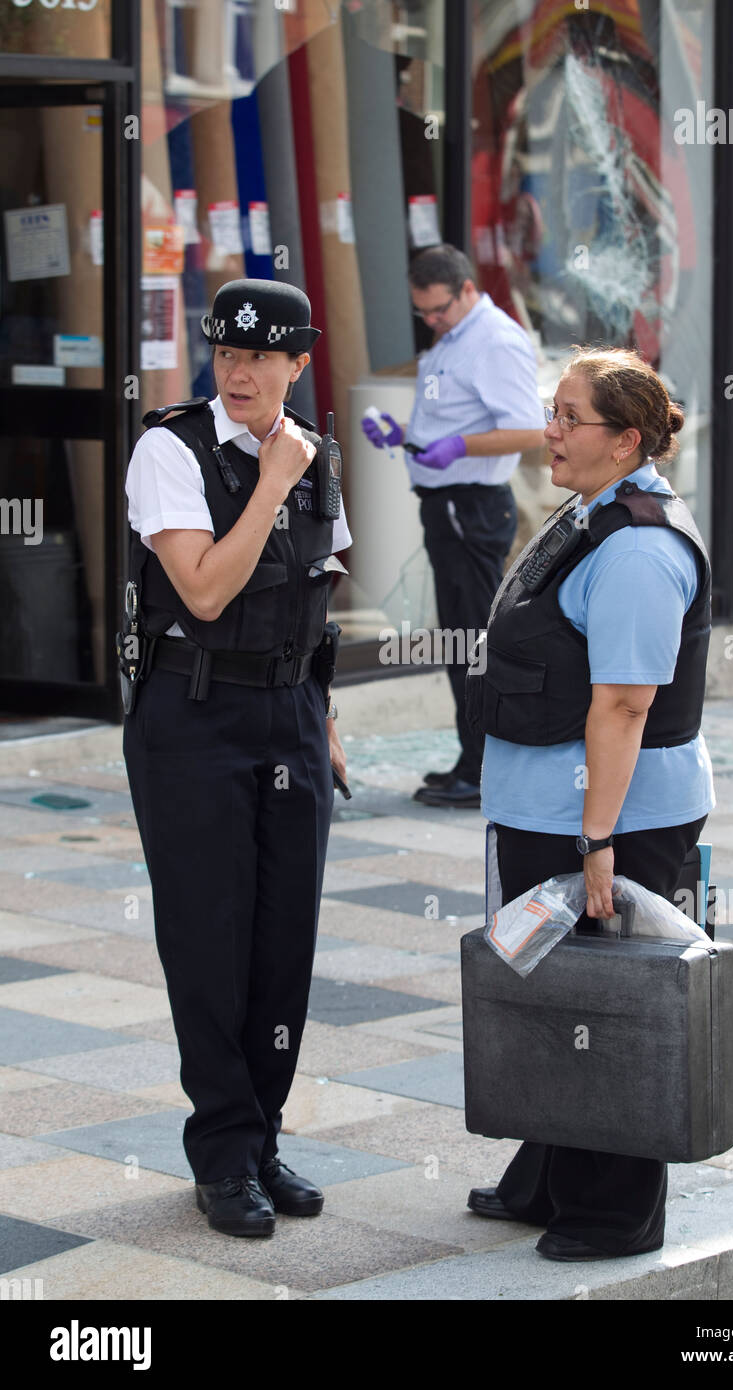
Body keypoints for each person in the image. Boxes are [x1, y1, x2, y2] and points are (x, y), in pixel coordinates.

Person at [463, 346, 715, 1260]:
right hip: (544, 812)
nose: (551, 431)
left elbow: (623, 703)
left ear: (628, 440)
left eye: (571, 417)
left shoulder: (642, 545)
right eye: (554, 411)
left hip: (612, 822)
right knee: (548, 993)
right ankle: (549, 1179)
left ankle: (613, 1212)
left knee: (605, 1016)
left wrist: (595, 842)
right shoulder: (591, 510)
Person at [122, 279, 350, 1238]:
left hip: (289, 710)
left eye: (263, 357)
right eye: (227, 354)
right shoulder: (168, 448)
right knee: (211, 940)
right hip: (194, 715)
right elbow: (207, 592)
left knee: (281, 944)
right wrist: (271, 483)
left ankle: (260, 1137)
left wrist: (324, 718)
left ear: (298, 363)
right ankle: (221, 1153)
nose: (242, 372)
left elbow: (321, 592)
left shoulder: (315, 454)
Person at [362, 244, 546, 808]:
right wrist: (405, 436)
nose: (431, 321)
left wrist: (459, 446)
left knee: (473, 642)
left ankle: (488, 768)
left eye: (438, 309)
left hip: (471, 504)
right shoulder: (456, 337)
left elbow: (529, 430)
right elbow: (452, 415)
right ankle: (475, 759)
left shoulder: (494, 339)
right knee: (462, 640)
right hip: (447, 504)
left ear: (467, 289)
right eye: (422, 312)